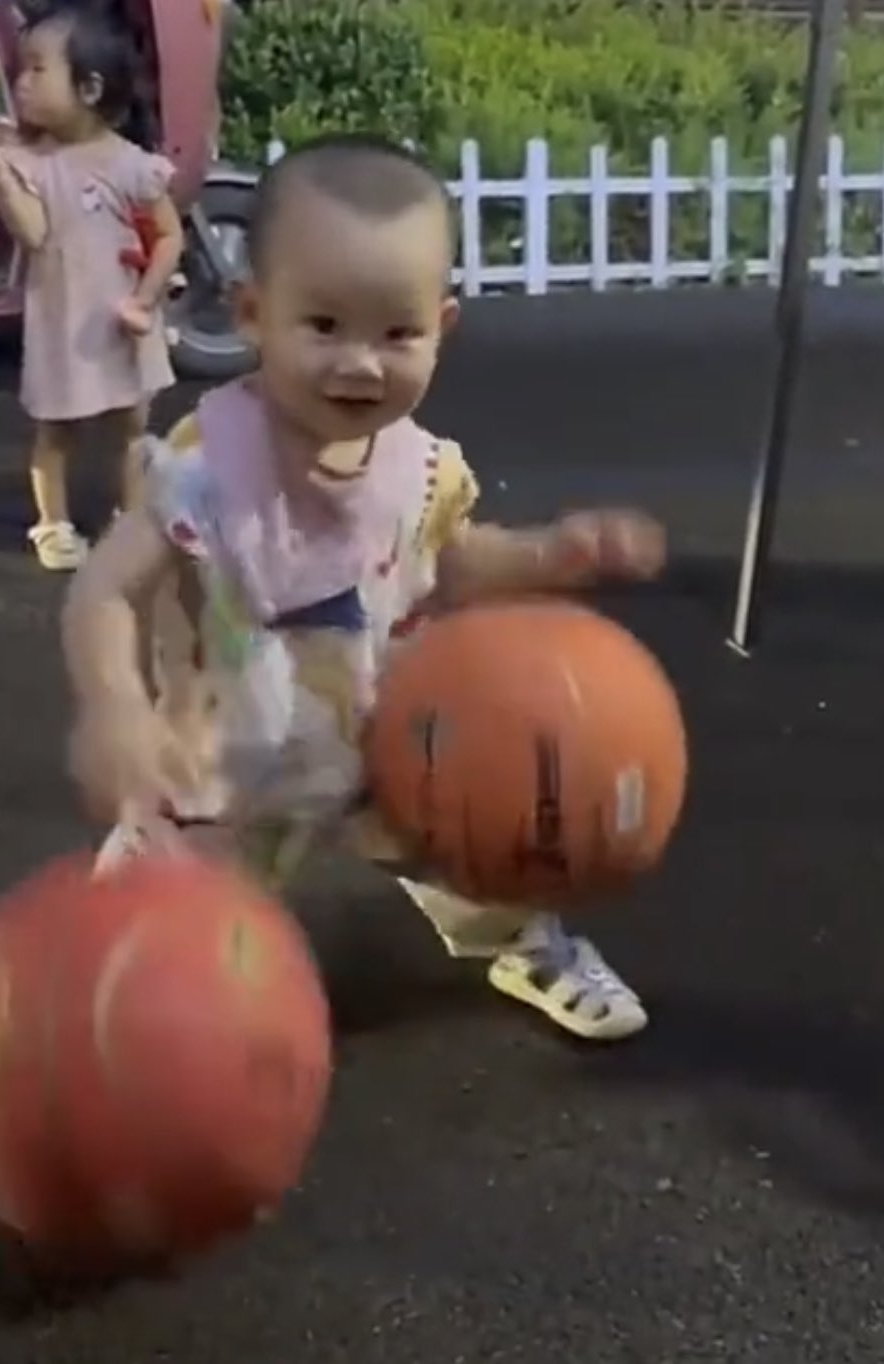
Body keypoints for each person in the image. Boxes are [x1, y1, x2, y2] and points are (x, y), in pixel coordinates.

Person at [61, 133, 667, 1043]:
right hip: (224, 771)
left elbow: (455, 559)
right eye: (324, 326)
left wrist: (554, 555)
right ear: (253, 313)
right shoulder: (207, 466)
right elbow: (104, 590)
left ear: (442, 329)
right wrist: (114, 707)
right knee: (156, 966)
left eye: (398, 333)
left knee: (475, 830)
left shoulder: (419, 470)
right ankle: (135, 993)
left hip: (389, 746)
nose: (362, 363)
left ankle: (518, 935)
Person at [0, 0, 183, 571]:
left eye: (37, 68)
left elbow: (169, 237)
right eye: (22, 68)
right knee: (56, 429)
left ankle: (133, 520)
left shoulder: (133, 165)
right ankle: (53, 524)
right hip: (63, 324)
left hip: (120, 323)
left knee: (132, 427)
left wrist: (144, 299)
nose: (21, 80)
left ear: (89, 88)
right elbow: (36, 234)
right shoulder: (30, 162)